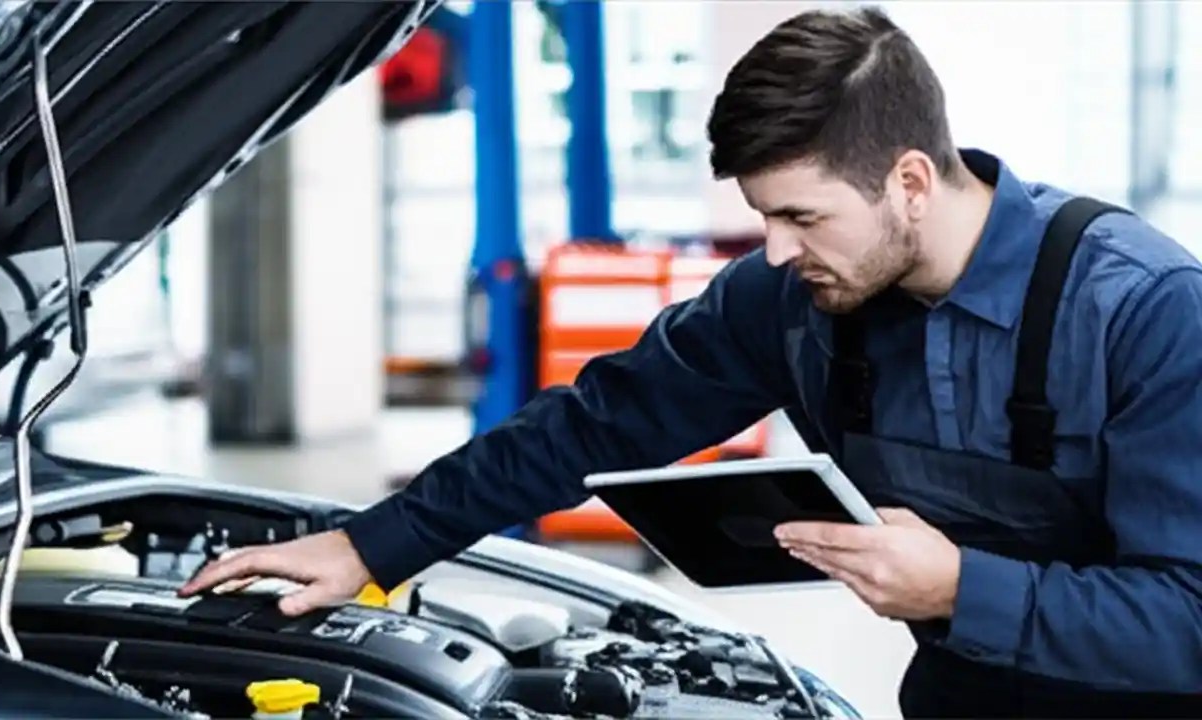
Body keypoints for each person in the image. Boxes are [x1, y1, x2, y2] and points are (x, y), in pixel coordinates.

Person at [180, 5, 1202, 717]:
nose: (773, 251)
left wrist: (957, 588)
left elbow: (1187, 620)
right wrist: (376, 544)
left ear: (907, 181)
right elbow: (598, 423)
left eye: (800, 215)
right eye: (761, 216)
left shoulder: (1142, 311)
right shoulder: (792, 296)